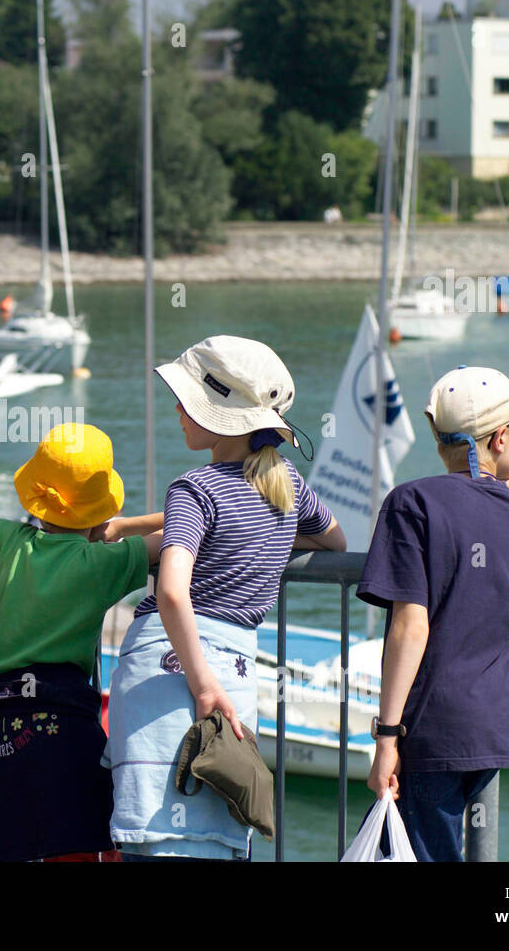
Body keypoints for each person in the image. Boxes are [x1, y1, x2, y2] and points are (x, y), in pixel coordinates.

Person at [105, 336, 345, 861]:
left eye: (187, 400)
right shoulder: (289, 487)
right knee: (214, 836)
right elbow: (334, 541)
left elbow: (171, 590)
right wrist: (270, 538)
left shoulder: (195, 487)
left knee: (156, 838)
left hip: (174, 670)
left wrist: (202, 683)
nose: (177, 409)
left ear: (220, 414)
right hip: (237, 672)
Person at [0, 423, 162, 862]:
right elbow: (187, 527)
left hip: (2, 720)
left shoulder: (9, 542)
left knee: (19, 841)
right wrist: (126, 526)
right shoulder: (101, 561)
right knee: (87, 843)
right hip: (65, 716)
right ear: (99, 508)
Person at [357, 365, 509, 862]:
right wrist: (508, 491)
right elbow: (477, 518)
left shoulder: (412, 502)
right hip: (489, 723)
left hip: (430, 725)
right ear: (503, 437)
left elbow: (410, 626)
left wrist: (386, 737)